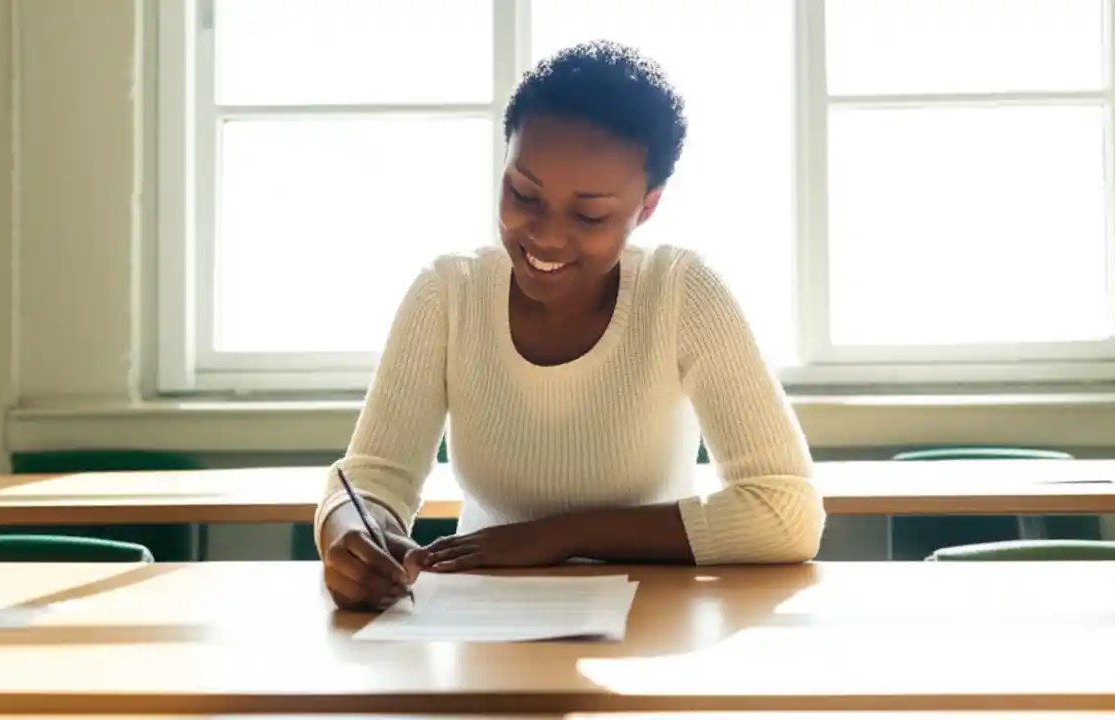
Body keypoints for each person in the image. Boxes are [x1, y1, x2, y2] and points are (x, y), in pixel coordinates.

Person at [318, 40, 825, 610]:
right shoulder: (447, 294)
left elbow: (787, 511)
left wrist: (557, 537)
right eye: (523, 194)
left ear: (648, 206)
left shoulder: (680, 292)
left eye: (590, 214)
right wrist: (349, 534)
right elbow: (370, 480)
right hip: (478, 625)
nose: (547, 236)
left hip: (653, 628)